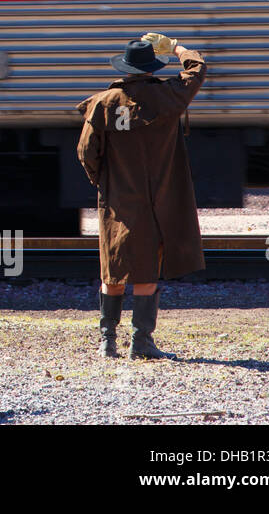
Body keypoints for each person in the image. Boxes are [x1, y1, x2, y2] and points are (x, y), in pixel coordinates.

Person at [76, 34, 207, 359]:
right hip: (158, 198)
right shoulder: (168, 96)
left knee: (113, 268)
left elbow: (86, 152)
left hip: (118, 199)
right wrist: (176, 46)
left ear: (125, 68)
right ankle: (141, 342)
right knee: (147, 269)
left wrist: (103, 181)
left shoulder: (103, 102)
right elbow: (197, 68)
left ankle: (108, 342)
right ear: (151, 68)